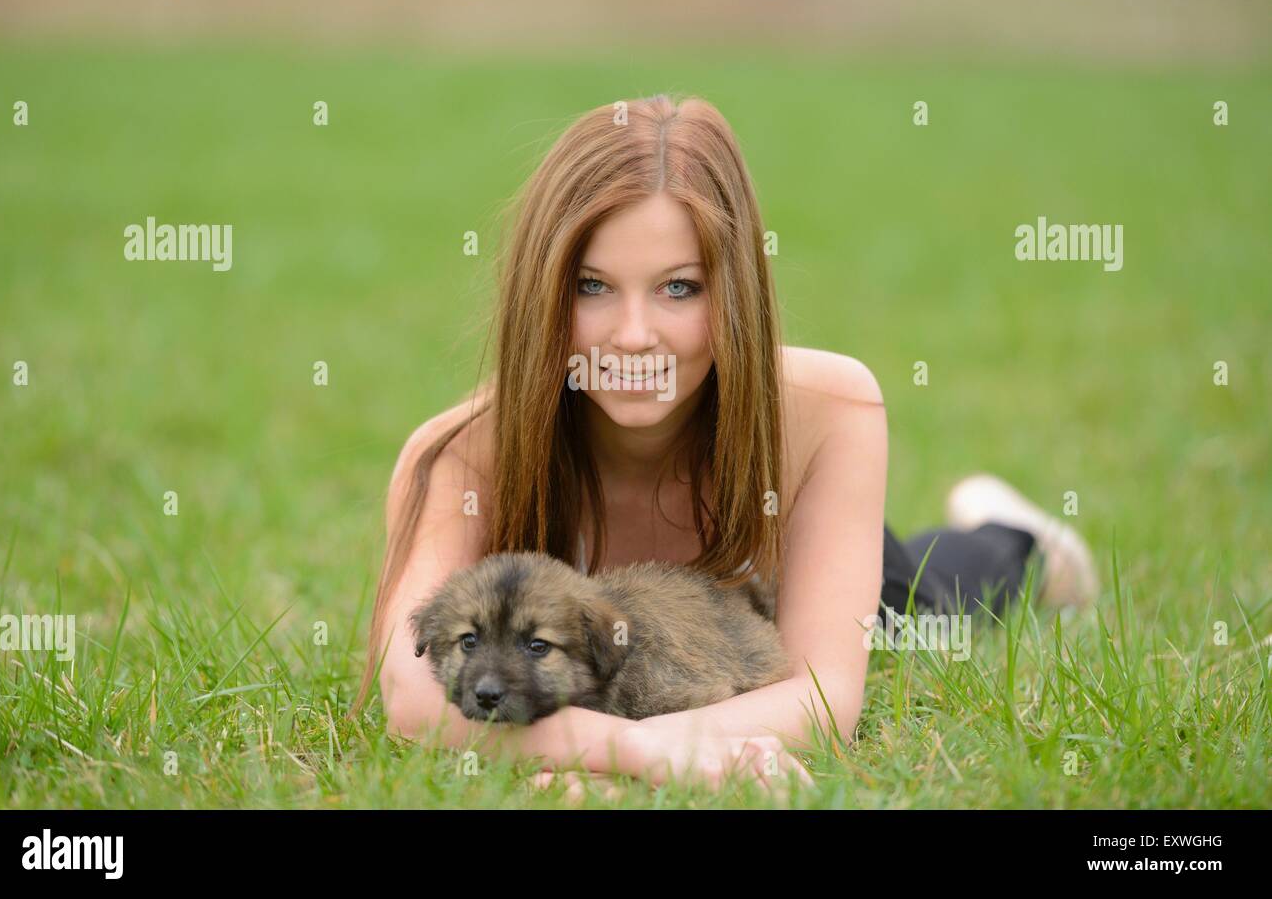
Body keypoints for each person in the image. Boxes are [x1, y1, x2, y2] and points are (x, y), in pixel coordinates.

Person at [352, 94, 1098, 796]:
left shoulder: (828, 407)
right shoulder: (458, 453)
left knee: (937, 606)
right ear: (541, 292)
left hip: (788, 586)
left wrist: (626, 749)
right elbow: (409, 698)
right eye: (591, 286)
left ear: (733, 290)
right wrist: (639, 752)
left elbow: (822, 697)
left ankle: (1022, 535)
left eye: (678, 287)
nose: (634, 333)